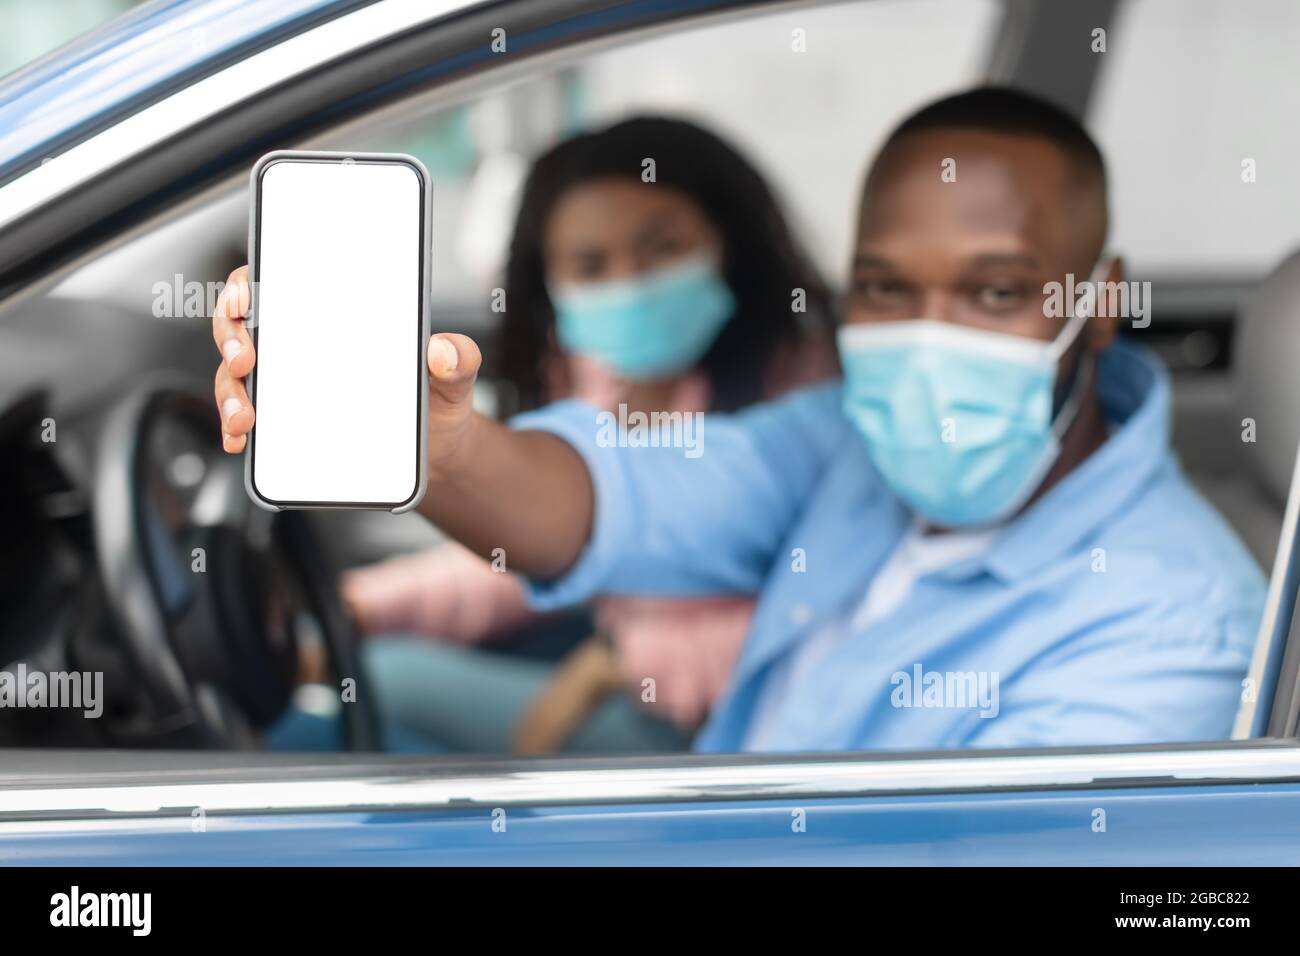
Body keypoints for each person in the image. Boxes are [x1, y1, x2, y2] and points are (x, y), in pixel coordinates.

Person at [214, 88, 1267, 752]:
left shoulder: (1164, 631)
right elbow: (609, 500)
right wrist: (432, 440)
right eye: (886, 289)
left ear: (1101, 302)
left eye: (994, 292)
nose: (928, 335)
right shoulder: (846, 446)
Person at [252, 116, 838, 751]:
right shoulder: (604, 383)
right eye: (591, 265)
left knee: (352, 703)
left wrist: (609, 665)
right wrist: (354, 605)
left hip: (717, 728)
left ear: (728, 244)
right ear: (548, 286)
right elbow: (543, 535)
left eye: (661, 248)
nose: (629, 282)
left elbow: (824, 604)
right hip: (630, 680)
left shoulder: (808, 400)